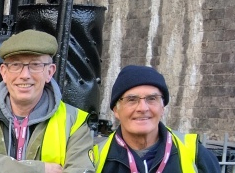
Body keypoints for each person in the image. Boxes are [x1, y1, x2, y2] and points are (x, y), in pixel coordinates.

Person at [0, 30, 95, 173]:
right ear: (4, 73)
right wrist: (37, 169)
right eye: (16, 65)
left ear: (49, 72)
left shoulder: (74, 123)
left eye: (35, 65)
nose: (25, 75)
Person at [92, 65, 220, 173]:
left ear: (162, 107)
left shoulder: (196, 156)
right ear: (116, 110)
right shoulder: (94, 160)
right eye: (131, 100)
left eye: (151, 99)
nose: (142, 108)